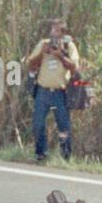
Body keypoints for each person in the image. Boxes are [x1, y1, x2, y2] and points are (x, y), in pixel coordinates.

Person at [27, 18, 79, 163]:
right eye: (53, 30)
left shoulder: (69, 46)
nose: (54, 33)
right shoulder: (43, 44)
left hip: (60, 93)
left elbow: (74, 67)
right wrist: (41, 53)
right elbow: (30, 64)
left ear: (64, 33)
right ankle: (41, 154)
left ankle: (66, 158)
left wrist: (60, 55)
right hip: (42, 91)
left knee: (63, 125)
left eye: (58, 31)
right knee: (38, 123)